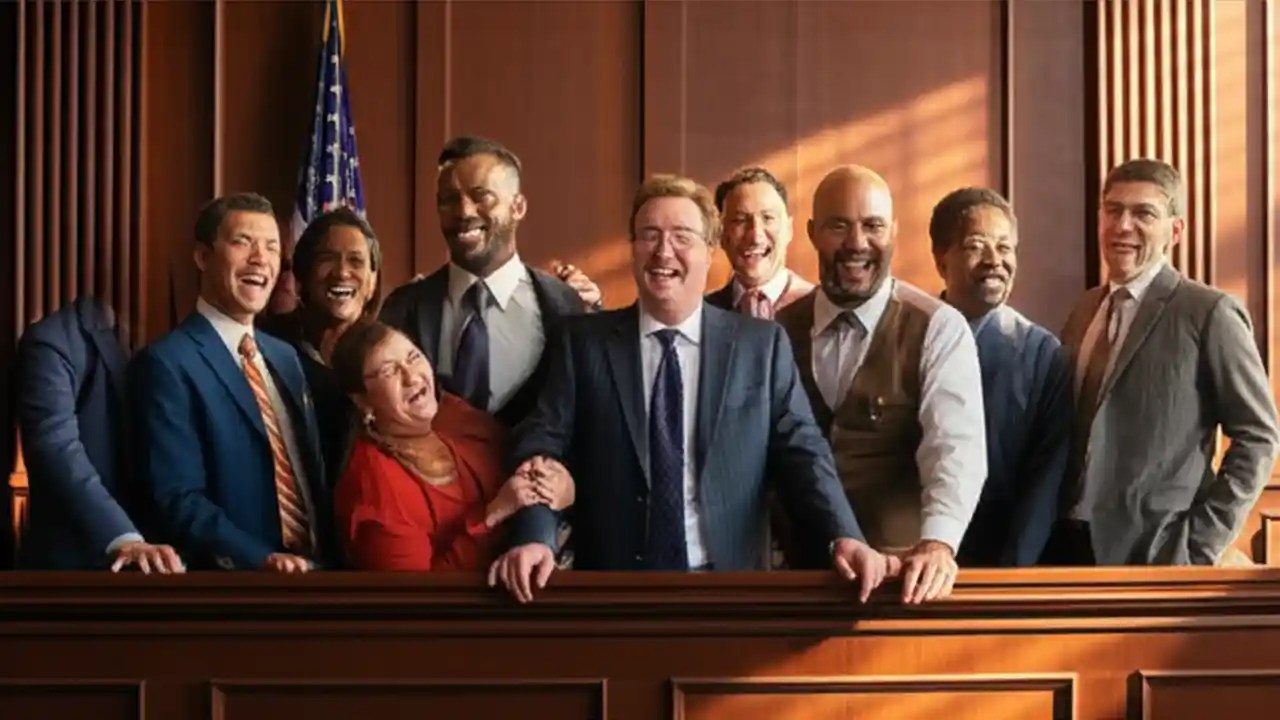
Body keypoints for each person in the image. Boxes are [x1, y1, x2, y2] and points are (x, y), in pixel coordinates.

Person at [488, 174, 897, 604]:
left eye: (682, 236)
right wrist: (535, 536)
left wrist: (843, 536)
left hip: (730, 594)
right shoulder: (582, 345)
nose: (664, 251)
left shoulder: (760, 346)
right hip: (612, 594)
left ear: (709, 251)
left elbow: (804, 454)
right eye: (650, 235)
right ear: (633, 249)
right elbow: (541, 446)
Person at [775, 165, 986, 603]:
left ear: (893, 231)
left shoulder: (937, 327)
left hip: (900, 584)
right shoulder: (776, 332)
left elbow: (956, 450)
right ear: (812, 233)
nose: (856, 243)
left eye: (872, 226)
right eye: (839, 225)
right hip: (794, 584)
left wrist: (939, 544)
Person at [1056, 158, 1280, 565]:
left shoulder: (1208, 312)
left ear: (1174, 231)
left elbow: (1259, 435)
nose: (1123, 226)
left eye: (1143, 213)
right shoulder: (1084, 311)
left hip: (1157, 552)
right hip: (1065, 549)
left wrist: (1199, 546)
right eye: (1113, 210)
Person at [130, 192, 332, 572]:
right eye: (243, 242)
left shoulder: (286, 358)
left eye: (272, 247)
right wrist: (260, 559)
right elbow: (177, 497)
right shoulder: (167, 363)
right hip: (239, 585)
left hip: (315, 575)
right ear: (203, 257)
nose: (261, 259)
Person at [379, 135, 597, 426]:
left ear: (517, 207)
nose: (464, 212)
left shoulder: (565, 305)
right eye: (448, 200)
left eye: (481, 196)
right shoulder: (404, 307)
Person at [330, 320, 574, 570]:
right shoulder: (373, 485)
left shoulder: (452, 414)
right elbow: (415, 599)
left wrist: (557, 484)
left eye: (413, 357)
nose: (411, 376)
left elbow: (523, 467)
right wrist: (491, 516)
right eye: (389, 372)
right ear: (362, 402)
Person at [929, 187, 1071, 566]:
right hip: (915, 558)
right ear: (942, 260)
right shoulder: (909, 337)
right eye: (976, 246)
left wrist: (1014, 573)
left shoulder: (1043, 354)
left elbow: (1047, 477)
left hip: (1006, 564)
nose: (995, 261)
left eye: (1005, 248)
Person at [15, 296, 183, 572]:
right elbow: (55, 446)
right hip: (80, 571)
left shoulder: (182, 346)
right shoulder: (54, 340)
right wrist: (123, 538)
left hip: (176, 565)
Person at [258, 206, 381, 482]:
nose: (342, 272)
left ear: (372, 282)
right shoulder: (262, 347)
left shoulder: (389, 354)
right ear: (301, 279)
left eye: (356, 261)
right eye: (328, 259)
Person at [705, 166, 814, 318]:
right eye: (740, 220)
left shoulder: (818, 310)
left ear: (789, 229)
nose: (756, 236)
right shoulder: (701, 315)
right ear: (721, 235)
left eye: (768, 218)